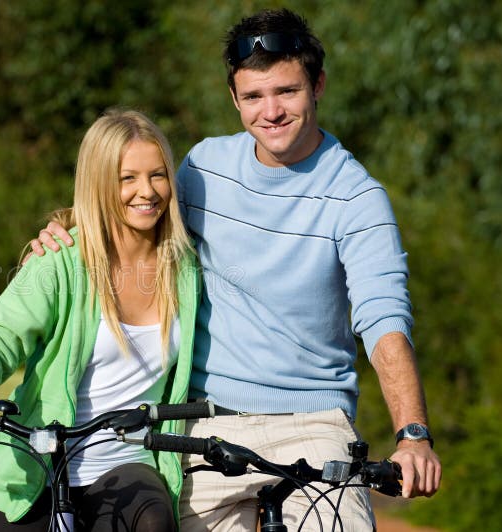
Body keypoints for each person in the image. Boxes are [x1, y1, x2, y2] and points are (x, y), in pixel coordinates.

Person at [29, 8, 441, 531]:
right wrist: (64, 230)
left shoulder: (357, 198)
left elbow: (384, 320)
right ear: (235, 99)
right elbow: (136, 217)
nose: (270, 111)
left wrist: (412, 435)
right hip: (204, 425)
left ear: (318, 85)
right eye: (253, 96)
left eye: (286, 92)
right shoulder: (204, 168)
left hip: (313, 424)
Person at [0, 109, 200, 531]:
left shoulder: (187, 271)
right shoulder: (60, 264)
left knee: (153, 520)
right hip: (38, 466)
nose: (148, 191)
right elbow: (1, 336)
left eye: (158, 175)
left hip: (127, 468)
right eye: (128, 178)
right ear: (99, 183)